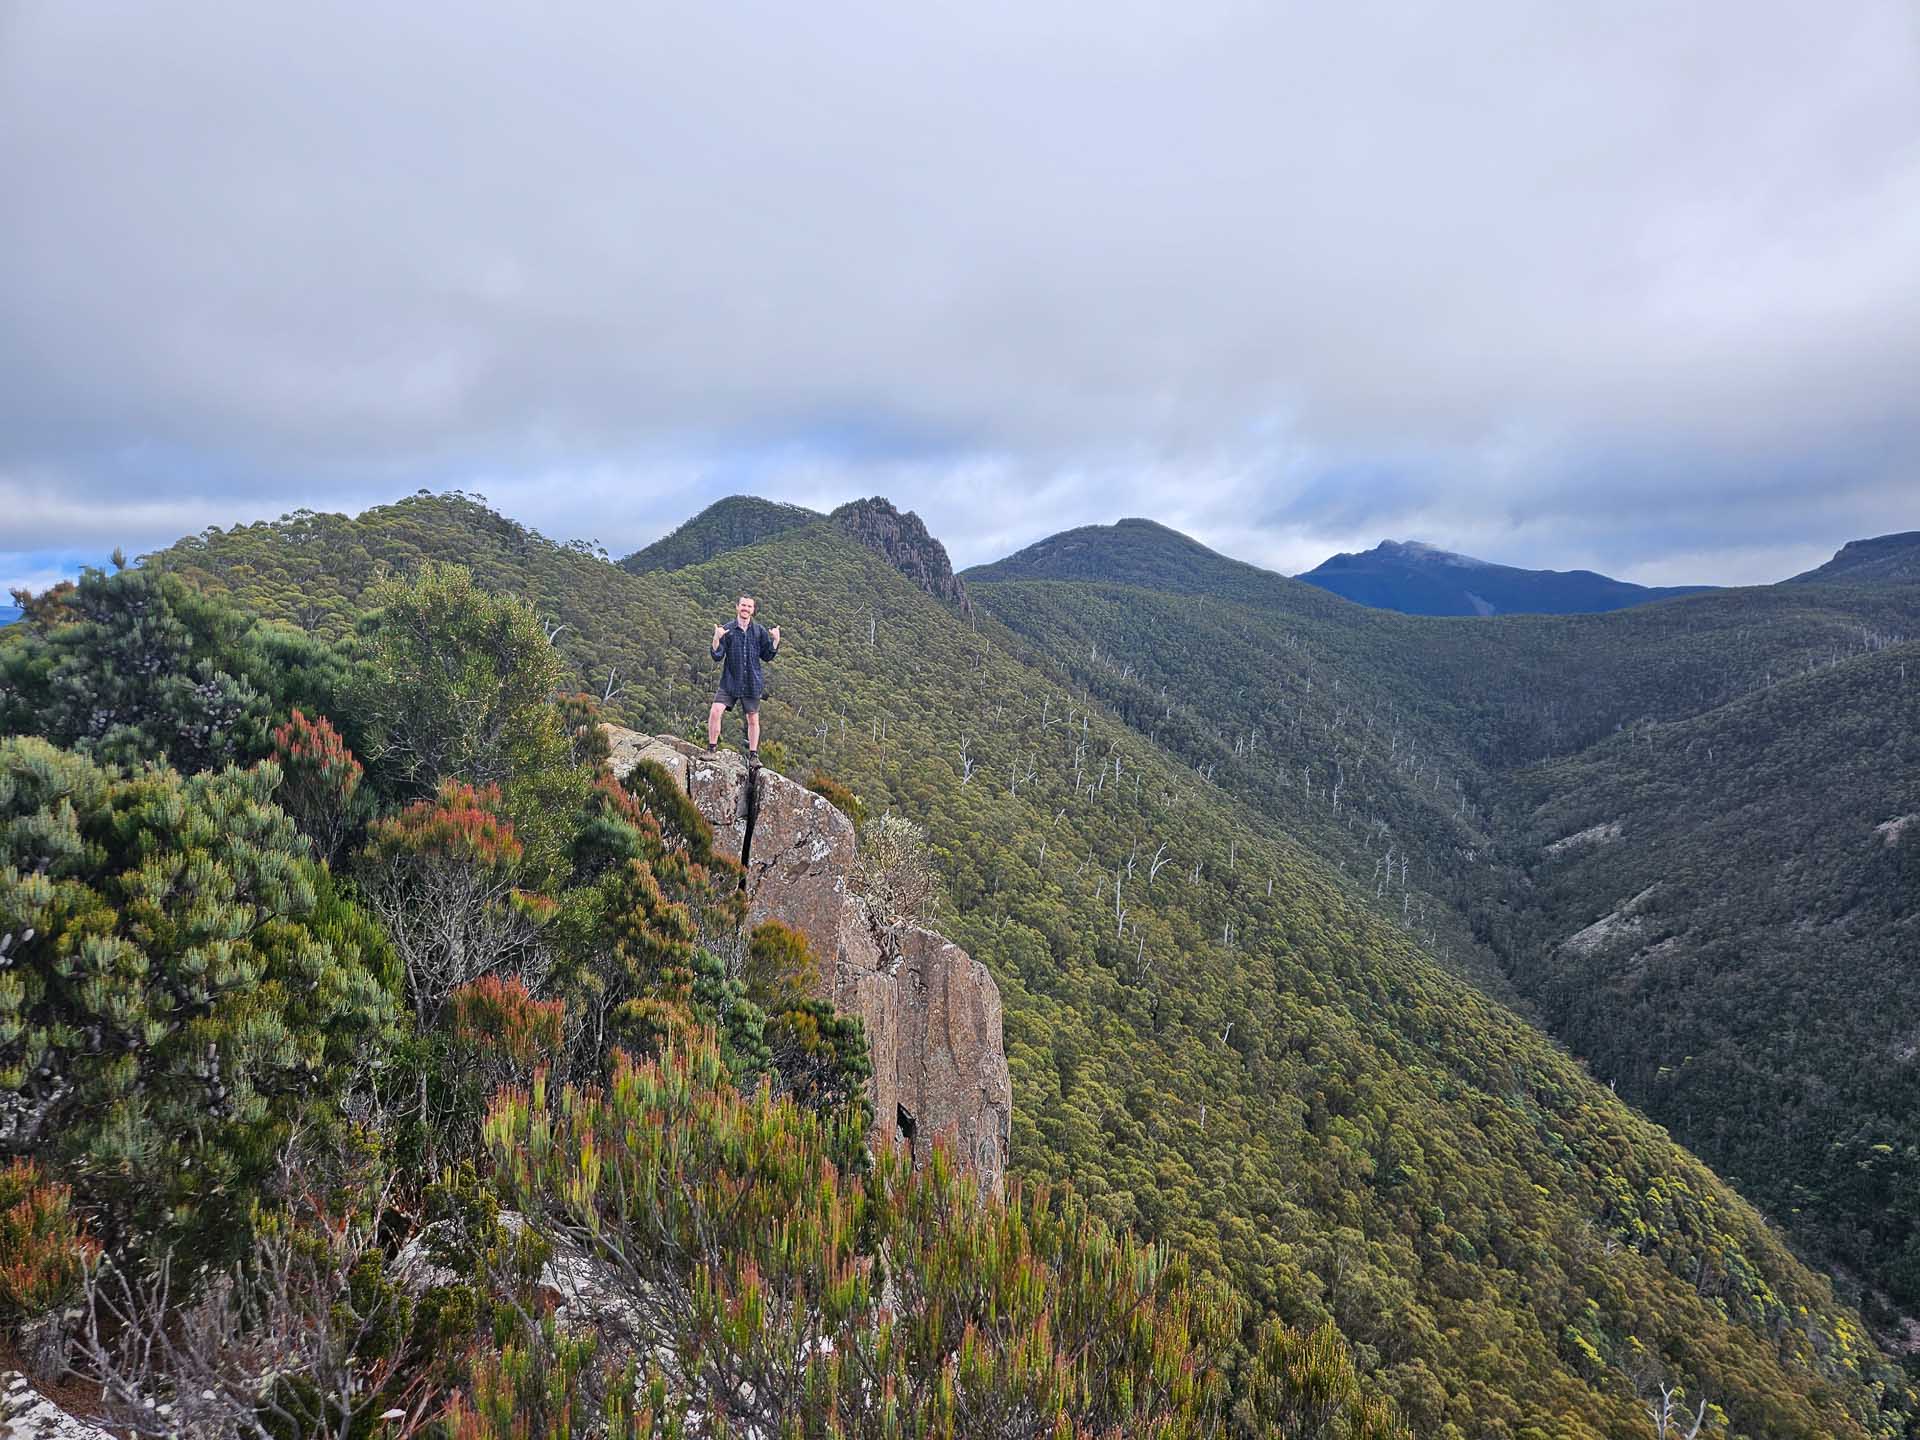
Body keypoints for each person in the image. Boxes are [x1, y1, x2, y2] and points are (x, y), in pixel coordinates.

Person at [707, 594, 780, 760]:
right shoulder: (727, 629)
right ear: (737, 607)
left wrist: (775, 641)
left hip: (752, 682)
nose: (745, 608)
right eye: (743, 605)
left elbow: (767, 656)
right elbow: (717, 656)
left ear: (753, 610)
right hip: (730, 681)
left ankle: (753, 756)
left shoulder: (759, 631)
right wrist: (716, 638)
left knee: (753, 719)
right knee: (715, 711)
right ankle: (711, 749)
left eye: (749, 606)